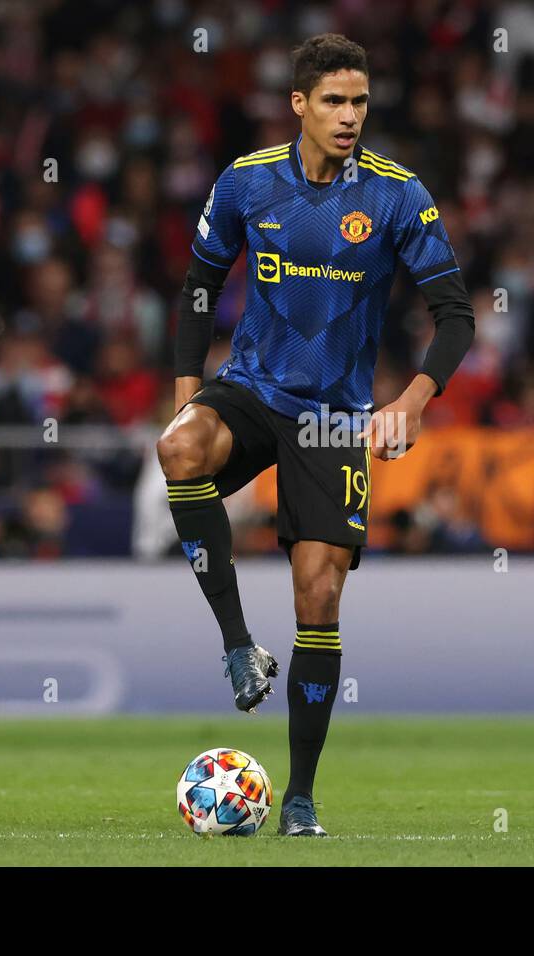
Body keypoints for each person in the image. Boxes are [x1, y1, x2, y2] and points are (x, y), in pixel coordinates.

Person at [156, 34, 474, 836]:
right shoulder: (247, 182)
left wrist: (414, 397)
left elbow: (455, 315)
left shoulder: (399, 195)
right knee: (178, 447)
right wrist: (190, 398)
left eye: (360, 102)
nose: (349, 116)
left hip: (334, 415)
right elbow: (199, 287)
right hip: (254, 391)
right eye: (333, 101)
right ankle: (237, 646)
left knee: (320, 596)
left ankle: (298, 797)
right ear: (298, 104)